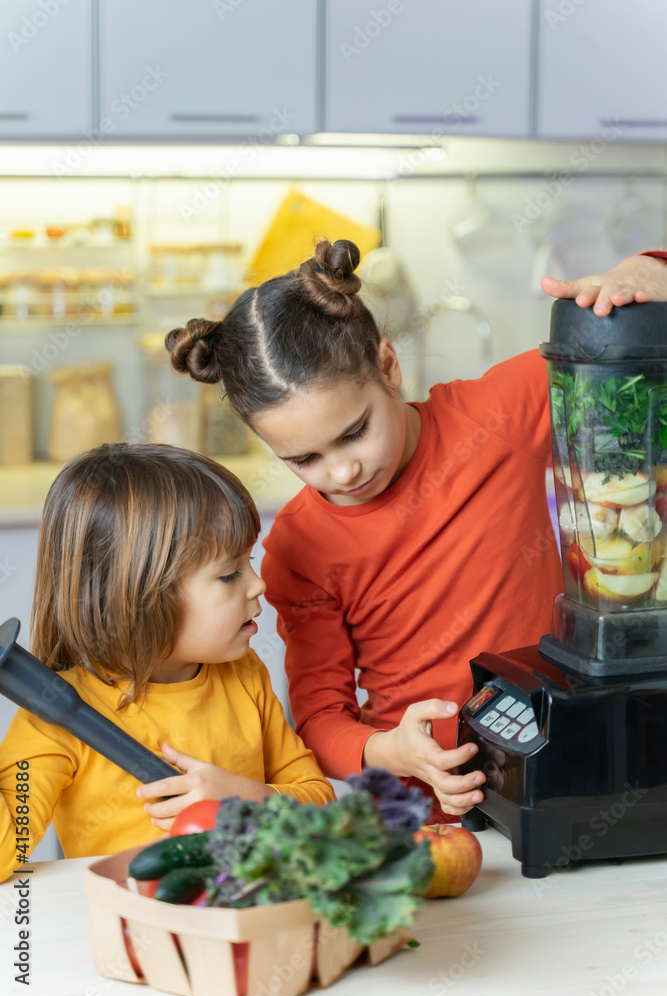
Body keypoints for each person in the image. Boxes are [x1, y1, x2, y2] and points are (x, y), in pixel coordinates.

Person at [166, 243, 667, 823]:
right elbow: (320, 719)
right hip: (420, 815)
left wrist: (635, 277)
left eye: (354, 432)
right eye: (304, 459)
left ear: (387, 365)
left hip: (560, 780)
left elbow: (612, 335)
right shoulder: (299, 548)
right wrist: (391, 751)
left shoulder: (494, 416)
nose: (342, 471)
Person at [0, 443, 334, 882]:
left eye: (248, 561)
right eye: (229, 573)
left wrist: (245, 800)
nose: (258, 585)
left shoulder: (245, 675)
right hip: (126, 930)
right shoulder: (51, 719)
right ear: (137, 598)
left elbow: (320, 804)